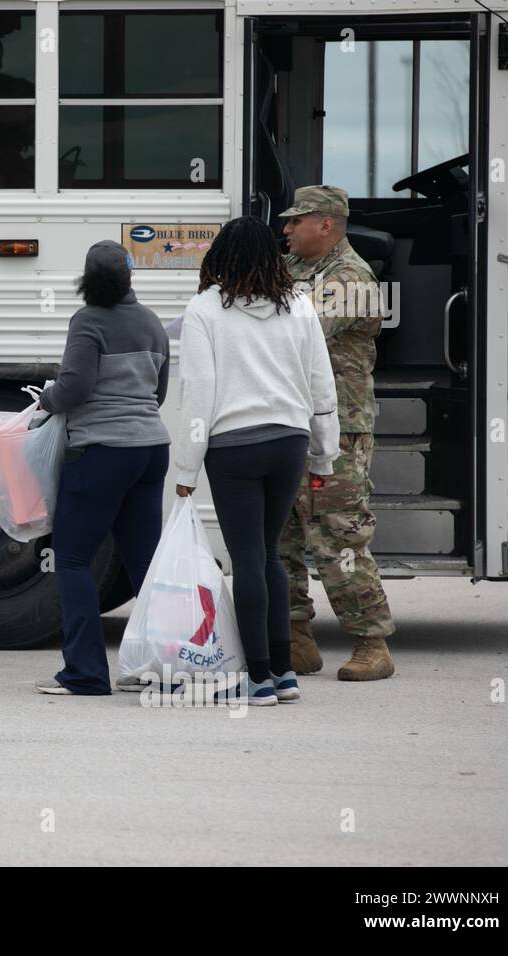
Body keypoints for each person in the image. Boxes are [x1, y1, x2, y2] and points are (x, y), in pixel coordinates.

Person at [174, 215, 339, 705]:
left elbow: (198, 395)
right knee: (269, 556)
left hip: (233, 448)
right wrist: (323, 455)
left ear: (220, 256)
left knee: (246, 559)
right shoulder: (300, 306)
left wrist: (185, 468)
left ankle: (259, 677)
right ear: (272, 256)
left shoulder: (204, 309)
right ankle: (284, 673)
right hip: (289, 443)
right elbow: (321, 385)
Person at [31, 241, 171, 696]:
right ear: (130, 279)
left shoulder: (87, 321)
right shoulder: (152, 322)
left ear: (86, 280)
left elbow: (74, 388)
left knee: (72, 559)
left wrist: (45, 401)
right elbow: (159, 391)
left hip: (102, 451)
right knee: (144, 563)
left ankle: (86, 673)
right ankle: (160, 667)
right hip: (151, 448)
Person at [279, 185, 397, 681]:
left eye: (295, 221)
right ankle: (295, 639)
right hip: (288, 418)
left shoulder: (350, 278)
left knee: (338, 535)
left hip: (340, 428)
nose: (285, 230)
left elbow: (294, 331)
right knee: (282, 533)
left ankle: (372, 642)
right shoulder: (294, 271)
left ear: (325, 224)